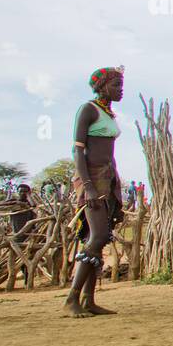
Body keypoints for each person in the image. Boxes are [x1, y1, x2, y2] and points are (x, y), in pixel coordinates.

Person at [64, 67, 125, 317]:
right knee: (97, 236)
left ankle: (89, 300)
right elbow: (78, 151)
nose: (121, 90)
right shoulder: (88, 109)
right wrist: (87, 186)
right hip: (92, 177)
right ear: (101, 86)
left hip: (107, 177)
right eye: (117, 85)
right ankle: (71, 298)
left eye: (122, 85)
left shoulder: (107, 113)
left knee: (99, 236)